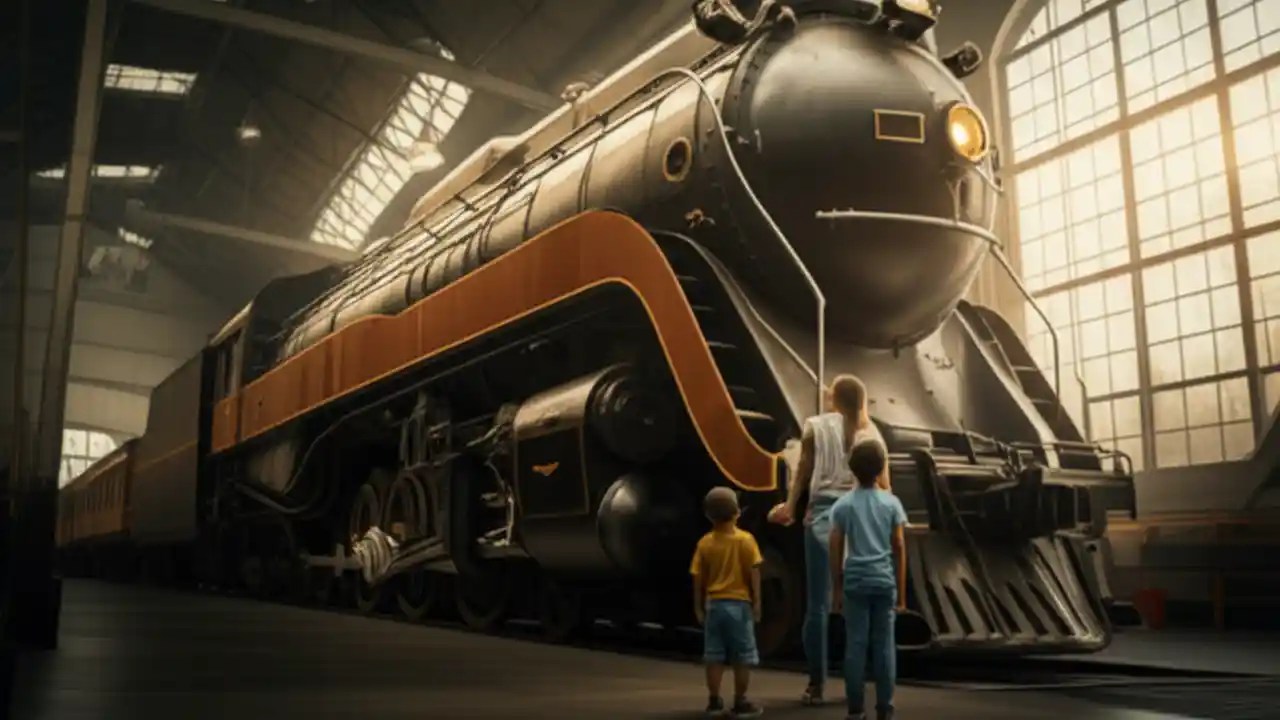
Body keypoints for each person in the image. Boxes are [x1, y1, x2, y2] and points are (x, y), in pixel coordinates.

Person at [766, 375, 888, 705]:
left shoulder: (814, 426)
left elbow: (803, 472)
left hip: (820, 516)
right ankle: (859, 683)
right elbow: (884, 485)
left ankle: (816, 686)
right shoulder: (874, 433)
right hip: (861, 516)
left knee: (817, 607)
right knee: (857, 604)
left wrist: (790, 506)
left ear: (833, 398)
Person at [829, 440, 907, 720]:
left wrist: (837, 588)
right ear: (881, 468)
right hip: (884, 581)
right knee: (884, 645)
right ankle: (885, 707)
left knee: (856, 644)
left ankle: (855, 709)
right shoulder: (892, 503)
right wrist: (901, 592)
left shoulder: (843, 505)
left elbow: (835, 547)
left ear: (852, 469)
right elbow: (898, 545)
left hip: (855, 581)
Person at [691, 486, 765, 718]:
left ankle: (714, 702)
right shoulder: (746, 541)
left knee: (714, 656)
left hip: (714, 604)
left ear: (708, 515)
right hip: (740, 605)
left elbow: (697, 577)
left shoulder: (704, 544)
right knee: (742, 657)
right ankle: (740, 701)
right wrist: (757, 604)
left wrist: (698, 606)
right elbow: (754, 574)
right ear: (737, 512)